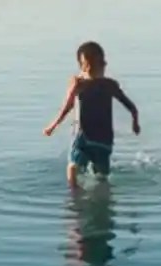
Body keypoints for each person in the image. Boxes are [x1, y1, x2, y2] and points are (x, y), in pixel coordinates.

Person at [43, 42, 141, 187]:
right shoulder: (80, 84)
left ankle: (84, 196)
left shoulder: (108, 85)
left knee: (97, 174)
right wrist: (54, 125)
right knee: (76, 168)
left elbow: (131, 106)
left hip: (101, 139)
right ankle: (76, 194)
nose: (97, 68)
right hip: (91, 137)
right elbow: (68, 106)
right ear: (83, 67)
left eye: (100, 64)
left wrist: (135, 122)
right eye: (92, 65)